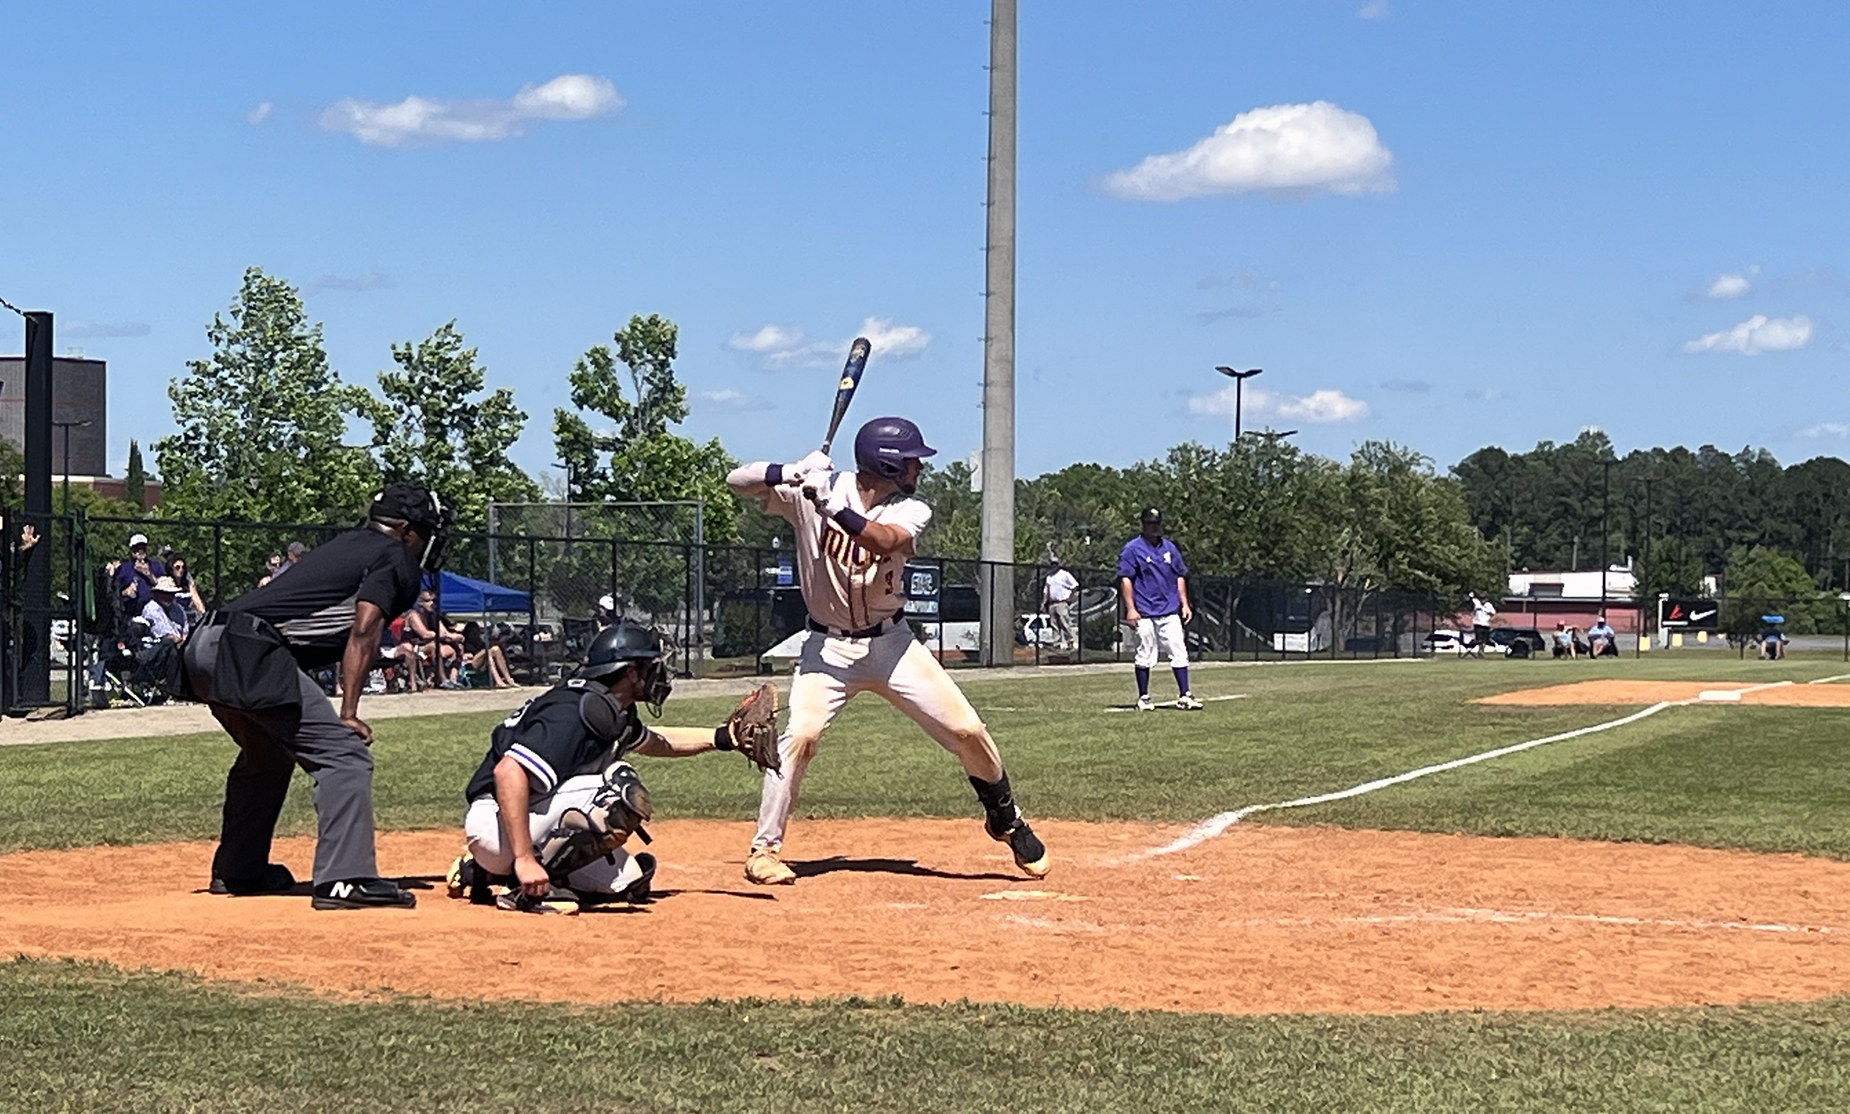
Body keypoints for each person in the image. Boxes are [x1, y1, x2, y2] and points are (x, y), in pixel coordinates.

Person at [725, 416, 1051, 886]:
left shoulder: (909, 509)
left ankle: (1005, 817)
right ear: (889, 463)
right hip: (827, 650)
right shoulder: (812, 490)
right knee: (800, 737)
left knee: (967, 729)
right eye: (913, 460)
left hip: (893, 645)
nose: (920, 467)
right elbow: (737, 481)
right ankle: (764, 850)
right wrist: (791, 472)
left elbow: (882, 541)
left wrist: (831, 506)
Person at [185, 482, 452, 910]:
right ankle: (345, 880)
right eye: (424, 531)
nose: (427, 542)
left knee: (266, 755)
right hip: (248, 648)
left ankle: (239, 869)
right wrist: (349, 712)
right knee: (344, 755)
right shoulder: (396, 556)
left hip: (204, 643)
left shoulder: (347, 543)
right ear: (403, 529)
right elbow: (364, 627)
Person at [447, 621, 768, 913]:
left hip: (525, 821)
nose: (660, 674)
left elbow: (655, 741)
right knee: (617, 791)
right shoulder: (573, 712)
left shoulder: (609, 708)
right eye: (651, 666)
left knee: (629, 880)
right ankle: (523, 886)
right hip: (497, 823)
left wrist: (723, 737)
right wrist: (524, 859)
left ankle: (484, 871)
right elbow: (508, 772)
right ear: (630, 673)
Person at [1117, 507, 1201, 712]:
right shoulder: (1132, 549)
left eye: (1156, 523)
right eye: (1149, 524)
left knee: (1178, 649)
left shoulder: (1169, 548)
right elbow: (1126, 578)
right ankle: (1144, 697)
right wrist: (1130, 608)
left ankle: (1184, 694)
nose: (1154, 527)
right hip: (1144, 610)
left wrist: (1184, 603)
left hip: (1169, 609)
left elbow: (1179, 575)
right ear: (1143, 525)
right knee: (1146, 653)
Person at [404, 587, 466, 688]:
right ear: (420, 602)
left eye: (434, 600)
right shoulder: (413, 615)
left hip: (430, 645)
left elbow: (444, 633)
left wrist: (455, 637)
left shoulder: (433, 615)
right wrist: (446, 636)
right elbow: (425, 634)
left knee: (458, 646)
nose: (432, 603)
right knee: (435, 646)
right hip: (414, 647)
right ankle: (443, 680)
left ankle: (452, 679)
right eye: (428, 601)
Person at [112, 533, 166, 615]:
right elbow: (114, 593)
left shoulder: (156, 565)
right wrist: (125, 592)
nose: (140, 551)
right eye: (136, 548)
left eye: (142, 548)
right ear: (131, 550)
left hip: (155, 612)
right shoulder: (123, 568)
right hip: (131, 613)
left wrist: (149, 574)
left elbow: (165, 587)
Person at [462, 621, 518, 689]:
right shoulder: (464, 642)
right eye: (472, 631)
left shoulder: (479, 641)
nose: (475, 633)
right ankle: (500, 681)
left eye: (476, 630)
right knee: (488, 651)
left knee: (495, 650)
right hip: (470, 664)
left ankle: (507, 678)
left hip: (482, 661)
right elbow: (459, 655)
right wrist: (465, 655)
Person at [1042, 559, 1079, 652]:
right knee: (1054, 624)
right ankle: (1056, 643)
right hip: (1052, 603)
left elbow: (1074, 585)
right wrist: (1043, 603)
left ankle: (1070, 641)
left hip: (1061, 602)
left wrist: (1070, 597)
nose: (1054, 566)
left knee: (1064, 622)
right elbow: (1046, 591)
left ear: (1058, 565)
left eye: (1055, 564)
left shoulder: (1064, 574)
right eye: (1052, 564)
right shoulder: (1049, 577)